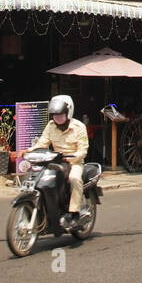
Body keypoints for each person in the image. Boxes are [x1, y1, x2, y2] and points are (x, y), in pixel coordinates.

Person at [30, 95, 90, 229]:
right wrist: (28, 151)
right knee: (40, 179)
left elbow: (83, 151)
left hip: (74, 162)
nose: (57, 118)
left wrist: (71, 158)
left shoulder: (79, 126)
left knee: (74, 179)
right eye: (55, 116)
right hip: (56, 161)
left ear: (68, 112)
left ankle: (74, 212)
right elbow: (42, 143)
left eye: (60, 115)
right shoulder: (51, 126)